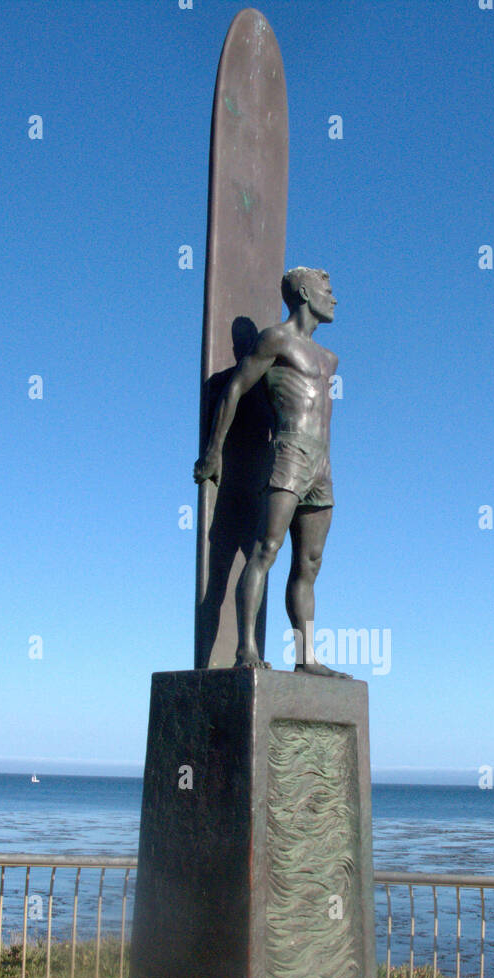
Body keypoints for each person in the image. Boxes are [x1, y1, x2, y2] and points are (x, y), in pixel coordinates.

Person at [195, 267, 349, 677]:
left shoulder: (329, 358)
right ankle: (246, 649)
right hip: (289, 450)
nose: (334, 299)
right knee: (265, 549)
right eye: (327, 290)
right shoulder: (275, 339)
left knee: (310, 562)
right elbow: (234, 390)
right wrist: (214, 452)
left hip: (322, 462)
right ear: (304, 292)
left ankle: (305, 657)